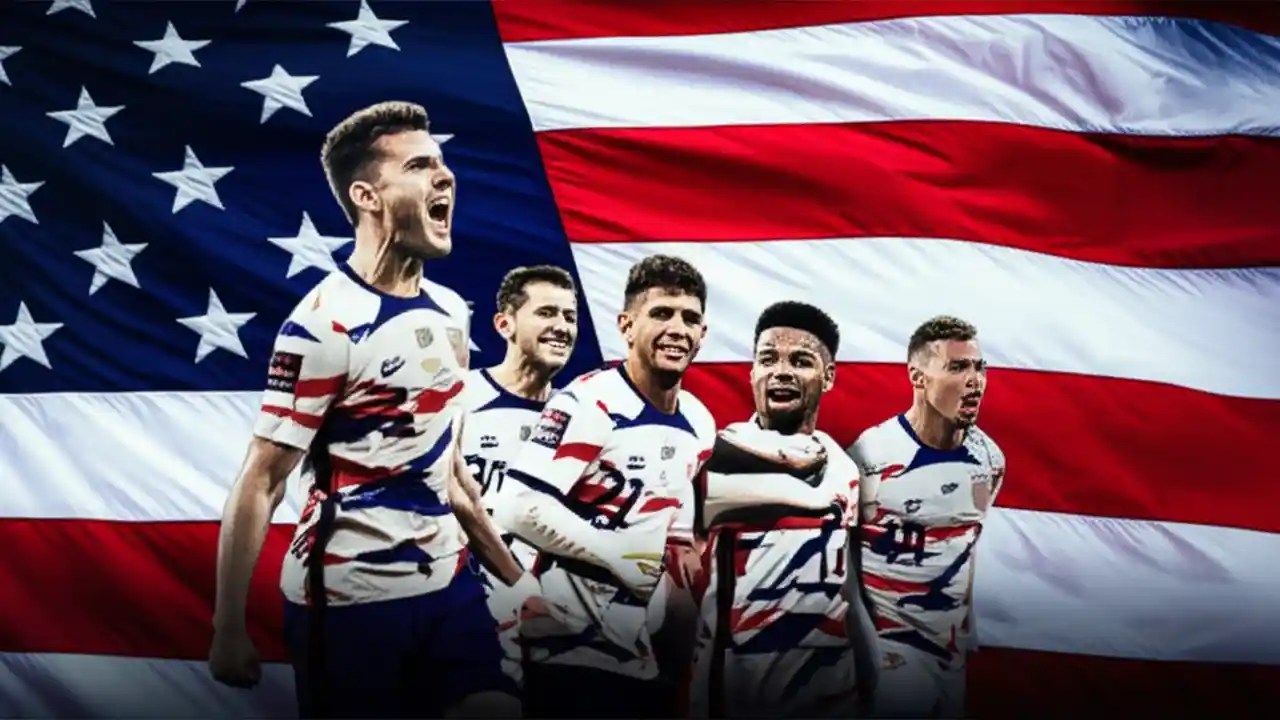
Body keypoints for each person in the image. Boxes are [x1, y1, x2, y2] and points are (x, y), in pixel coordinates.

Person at [207, 101, 533, 718]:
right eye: (419, 166)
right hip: (347, 602)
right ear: (367, 196)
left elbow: (450, 471)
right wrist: (228, 627)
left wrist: (522, 585)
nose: (445, 176)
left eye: (442, 163)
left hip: (448, 587)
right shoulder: (322, 325)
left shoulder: (451, 313)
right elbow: (262, 479)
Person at [490, 254, 718, 719]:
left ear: (703, 334)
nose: (677, 329)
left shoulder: (700, 423)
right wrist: (615, 554)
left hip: (635, 649)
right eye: (661, 313)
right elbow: (516, 505)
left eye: (690, 319)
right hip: (558, 645)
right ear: (626, 326)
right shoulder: (590, 402)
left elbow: (673, 540)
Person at [688, 301, 878, 718]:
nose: (781, 371)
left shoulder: (843, 466)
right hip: (741, 689)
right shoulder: (718, 452)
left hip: (832, 690)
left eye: (801, 361)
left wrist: (876, 684)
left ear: (829, 376)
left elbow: (848, 588)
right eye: (768, 359)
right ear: (752, 372)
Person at [846, 315, 1007, 718]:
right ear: (918, 377)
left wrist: (967, 629)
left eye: (980, 367)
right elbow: (841, 559)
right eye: (958, 367)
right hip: (890, 649)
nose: (975, 381)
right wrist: (863, 647)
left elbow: (968, 542)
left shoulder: (990, 459)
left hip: (951, 655)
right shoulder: (871, 457)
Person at [458, 264, 580, 689]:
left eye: (570, 316)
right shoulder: (459, 399)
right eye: (547, 312)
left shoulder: (582, 418)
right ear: (504, 324)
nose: (562, 326)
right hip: (464, 615)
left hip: (552, 627)